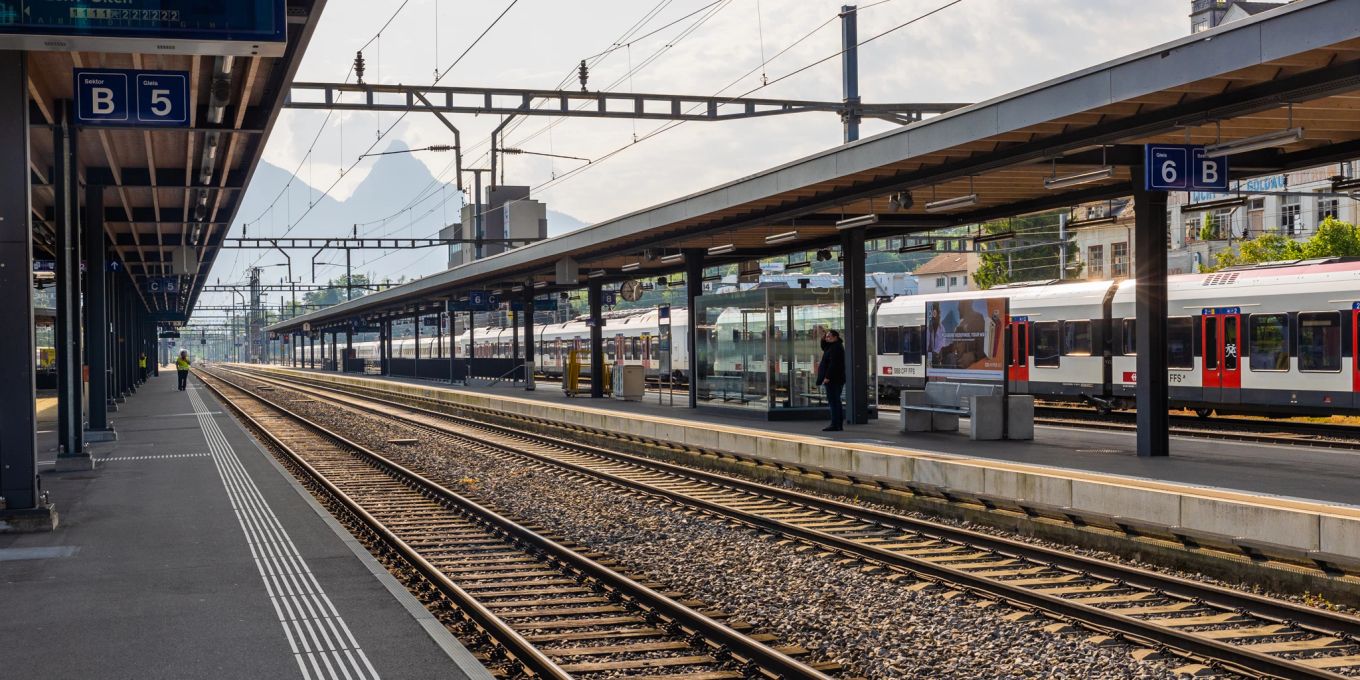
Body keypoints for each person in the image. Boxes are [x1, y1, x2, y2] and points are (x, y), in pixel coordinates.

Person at [815, 329, 846, 432]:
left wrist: (827, 377)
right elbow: (824, 346)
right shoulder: (832, 346)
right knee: (835, 401)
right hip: (834, 379)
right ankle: (837, 424)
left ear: (835, 337)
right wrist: (823, 336)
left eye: (829, 336)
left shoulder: (836, 348)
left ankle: (835, 424)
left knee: (834, 402)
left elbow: (834, 364)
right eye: (827, 337)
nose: (827, 338)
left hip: (833, 379)